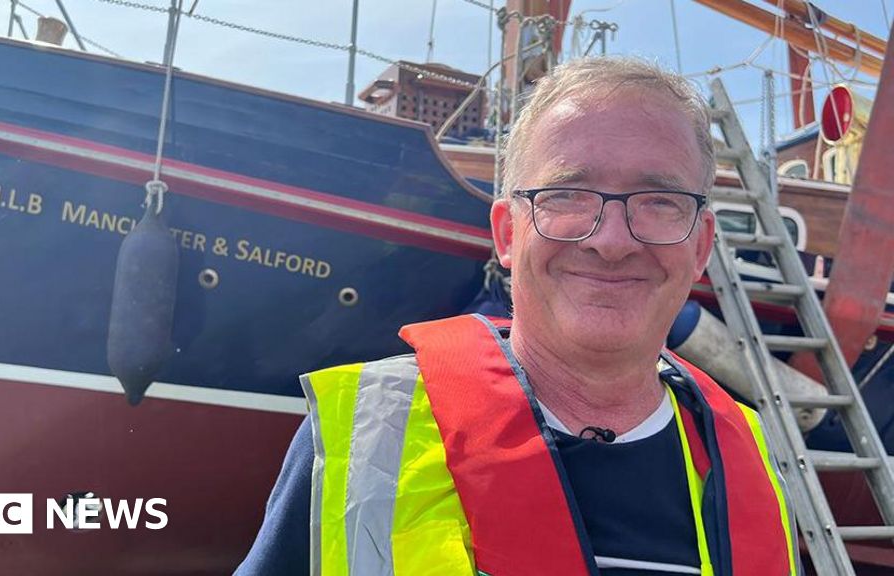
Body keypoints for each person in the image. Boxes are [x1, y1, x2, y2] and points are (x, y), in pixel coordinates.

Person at [237, 56, 798, 576]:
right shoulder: (364, 438)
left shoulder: (757, 464)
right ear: (507, 233)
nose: (610, 240)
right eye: (567, 195)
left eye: (659, 202)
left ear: (701, 249)